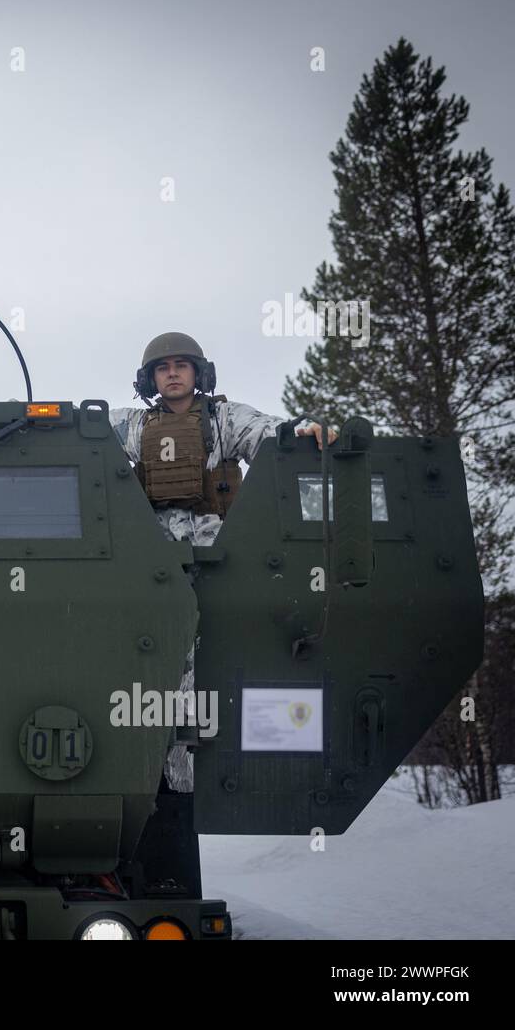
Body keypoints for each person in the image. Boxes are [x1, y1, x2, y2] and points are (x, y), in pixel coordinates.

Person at [110, 333, 335, 791]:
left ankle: (203, 774)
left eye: (180, 365)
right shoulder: (133, 425)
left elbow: (272, 433)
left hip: (218, 552)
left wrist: (306, 429)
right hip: (157, 558)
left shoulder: (223, 419)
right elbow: (80, 436)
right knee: (166, 658)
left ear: (198, 372)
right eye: (162, 368)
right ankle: (166, 776)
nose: (171, 373)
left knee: (222, 651)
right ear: (150, 379)